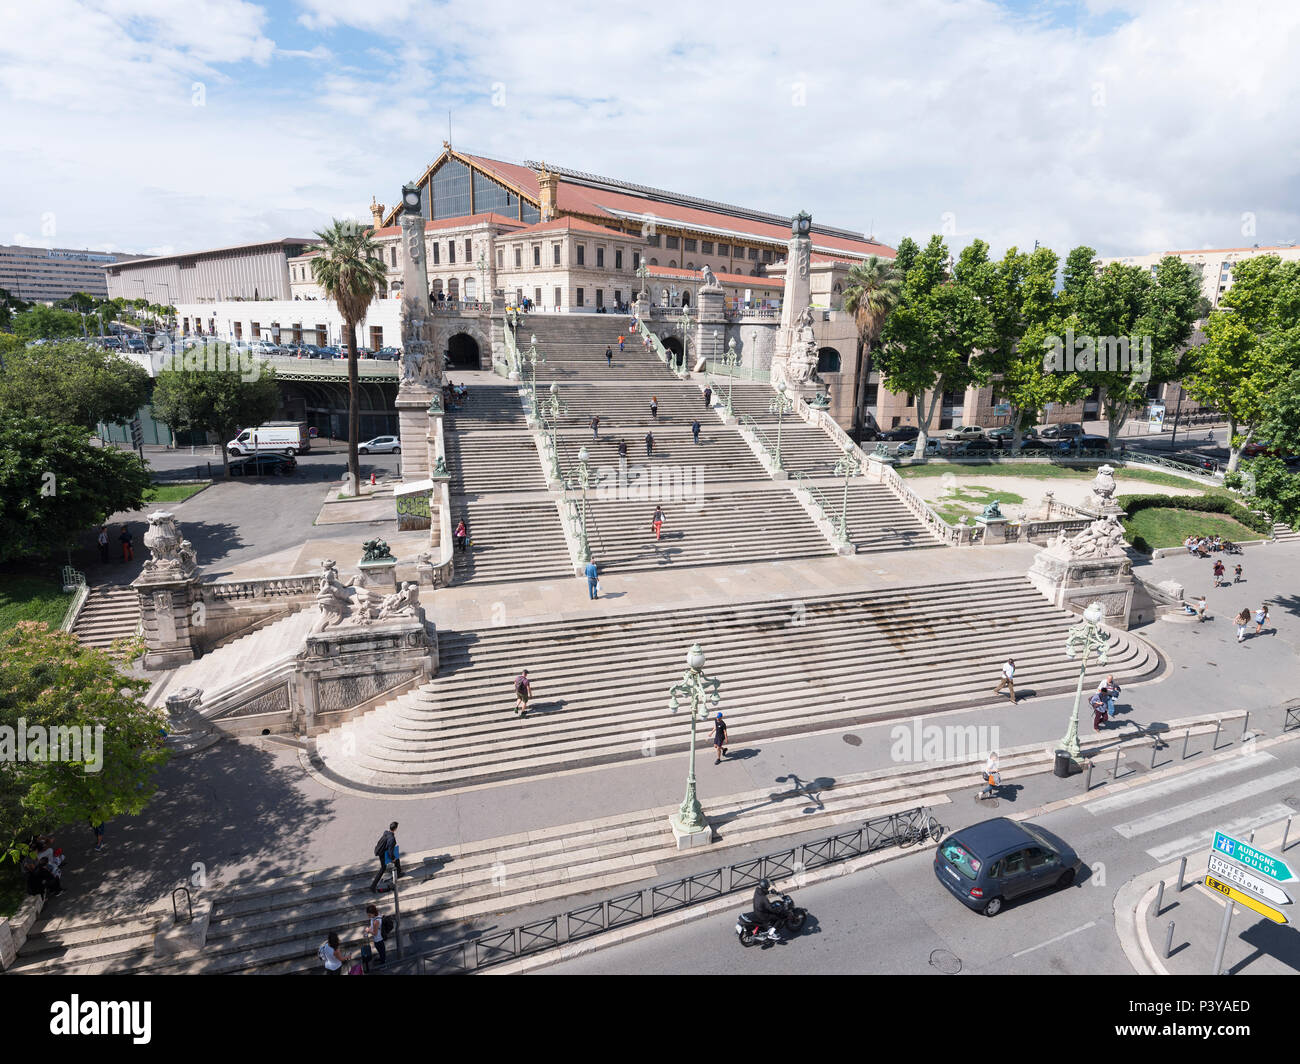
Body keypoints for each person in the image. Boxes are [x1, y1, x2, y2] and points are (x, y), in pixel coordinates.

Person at [369, 821, 401, 893]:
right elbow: (390, 851)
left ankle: (399, 872)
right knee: (384, 867)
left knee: (396, 859)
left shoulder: (386, 832)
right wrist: (393, 858)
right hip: (384, 854)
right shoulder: (391, 838)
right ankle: (373, 886)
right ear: (395, 829)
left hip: (381, 852)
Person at [363, 903, 386, 969]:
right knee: (380, 950)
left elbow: (375, 933)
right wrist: (369, 928)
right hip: (377, 938)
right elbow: (372, 926)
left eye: (369, 914)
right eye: (368, 914)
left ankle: (383, 964)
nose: (368, 916)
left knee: (381, 951)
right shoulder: (374, 917)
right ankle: (382, 959)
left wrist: (368, 930)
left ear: (373, 913)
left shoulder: (376, 921)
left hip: (379, 939)